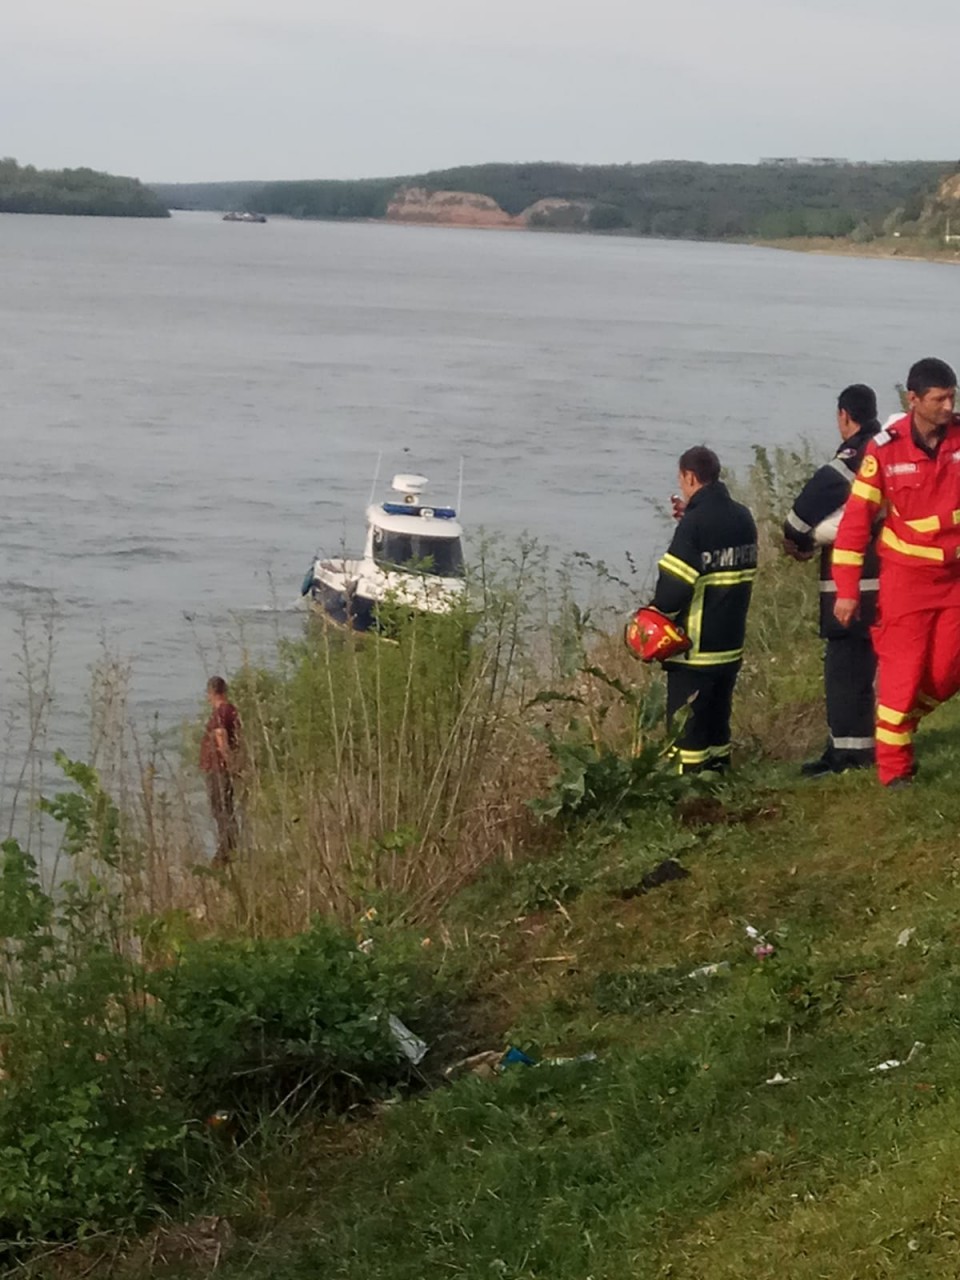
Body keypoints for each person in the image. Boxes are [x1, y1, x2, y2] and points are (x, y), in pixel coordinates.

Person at [833, 357, 960, 787]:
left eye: (952, 397)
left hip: (955, 580)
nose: (948, 406)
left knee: (947, 672)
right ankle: (895, 771)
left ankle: (904, 724)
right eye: (939, 399)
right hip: (906, 582)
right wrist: (847, 591)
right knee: (901, 676)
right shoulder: (884, 450)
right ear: (913, 400)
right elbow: (854, 523)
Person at [783, 384, 881, 775]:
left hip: (851, 587)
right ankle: (865, 745)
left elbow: (804, 511)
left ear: (844, 415)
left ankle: (848, 754)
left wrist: (797, 538)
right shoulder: (888, 447)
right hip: (885, 581)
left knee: (844, 670)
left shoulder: (855, 453)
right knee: (870, 671)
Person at [652, 446, 758, 772]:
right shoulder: (743, 517)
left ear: (690, 477)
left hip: (694, 652)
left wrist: (651, 619)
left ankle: (690, 797)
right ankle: (720, 784)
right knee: (717, 727)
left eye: (682, 480)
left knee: (689, 735)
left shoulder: (694, 525)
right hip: (729, 647)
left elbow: (673, 591)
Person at [199, 675, 242, 863]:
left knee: (220, 808)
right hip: (221, 768)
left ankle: (227, 850)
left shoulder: (221, 712)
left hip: (219, 769)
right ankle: (229, 847)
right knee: (225, 807)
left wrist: (229, 764)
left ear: (211, 693)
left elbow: (221, 737)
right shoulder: (230, 711)